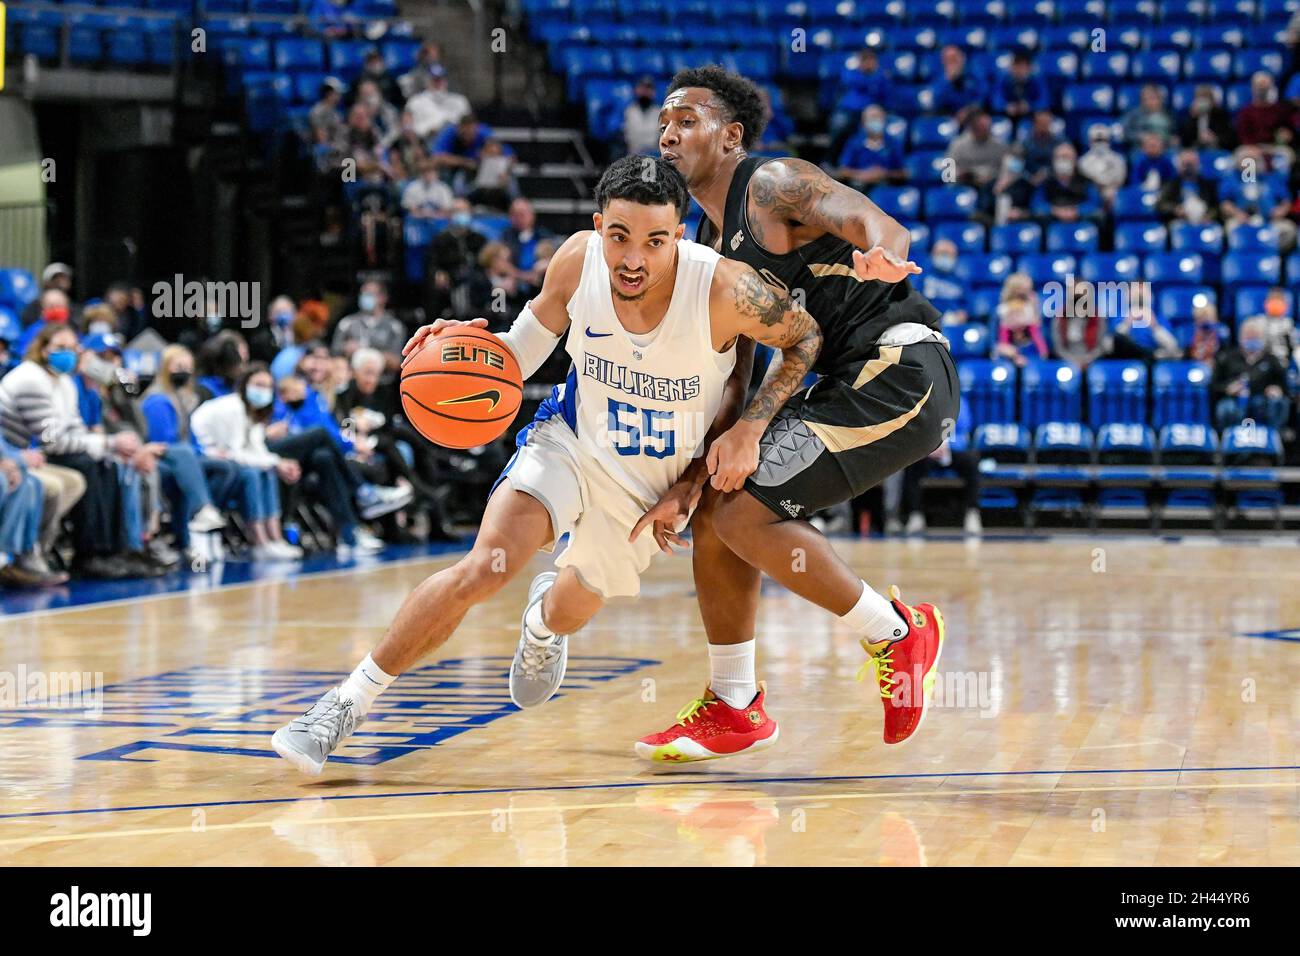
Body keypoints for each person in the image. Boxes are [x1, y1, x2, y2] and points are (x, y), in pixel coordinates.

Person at [270, 156, 823, 775]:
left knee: (567, 609)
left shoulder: (723, 288)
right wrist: (466, 353)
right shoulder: (576, 261)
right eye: (619, 237)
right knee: (483, 567)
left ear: (680, 236)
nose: (633, 259)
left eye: (655, 241)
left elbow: (806, 338)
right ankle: (345, 704)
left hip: (645, 492)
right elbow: (519, 356)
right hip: (569, 442)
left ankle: (542, 624)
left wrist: (750, 426)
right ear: (597, 225)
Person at [636, 66, 956, 757]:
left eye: (686, 120)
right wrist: (695, 477)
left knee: (747, 511)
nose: (667, 132)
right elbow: (741, 369)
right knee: (722, 503)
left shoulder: (774, 183)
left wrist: (882, 255)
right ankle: (733, 704)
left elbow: (876, 220)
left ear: (731, 136)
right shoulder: (708, 241)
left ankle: (897, 631)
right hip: (836, 380)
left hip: (899, 369)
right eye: (664, 120)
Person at [0, 324, 148, 578]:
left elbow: (77, 430)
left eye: (72, 348)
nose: (68, 354)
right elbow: (52, 441)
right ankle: (82, 554)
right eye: (60, 348)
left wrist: (108, 447)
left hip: (29, 454)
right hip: (23, 453)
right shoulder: (31, 379)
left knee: (107, 463)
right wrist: (107, 443)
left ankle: (112, 551)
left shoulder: (66, 384)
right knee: (85, 466)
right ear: (44, 349)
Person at [190, 365, 304, 561]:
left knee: (267, 472)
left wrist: (278, 463)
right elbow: (236, 453)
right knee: (252, 473)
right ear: (244, 385)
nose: (263, 391)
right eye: (258, 385)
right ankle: (258, 542)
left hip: (226, 458)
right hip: (202, 455)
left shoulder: (254, 412)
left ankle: (274, 538)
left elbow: (257, 449)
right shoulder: (232, 408)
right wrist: (275, 463)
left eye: (268, 387)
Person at [140, 345, 239, 561]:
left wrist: (207, 451)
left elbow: (191, 439)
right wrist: (195, 452)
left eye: (188, 367)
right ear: (165, 368)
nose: (184, 371)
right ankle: (200, 511)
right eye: (178, 366)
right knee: (184, 465)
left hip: (182, 457)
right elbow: (163, 443)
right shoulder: (157, 399)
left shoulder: (184, 398)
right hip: (158, 459)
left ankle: (202, 518)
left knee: (224, 467)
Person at [1211, 318, 1291, 431]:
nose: (1252, 340)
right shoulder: (1228, 358)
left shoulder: (1271, 360)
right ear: (1240, 338)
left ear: (1263, 338)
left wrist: (1277, 389)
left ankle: (1275, 438)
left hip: (1262, 399)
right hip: (1234, 400)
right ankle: (1227, 440)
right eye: (1248, 337)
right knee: (1226, 408)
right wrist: (1228, 388)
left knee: (1278, 403)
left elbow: (1284, 385)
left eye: (1255, 337)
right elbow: (1215, 385)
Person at [331, 281, 407, 369]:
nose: (365, 297)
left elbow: (399, 362)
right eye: (363, 294)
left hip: (385, 381)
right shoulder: (346, 323)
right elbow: (333, 355)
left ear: (383, 298)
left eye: (369, 294)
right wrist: (345, 348)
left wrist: (367, 353)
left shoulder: (395, 326)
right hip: (351, 378)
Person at [837, 105, 906, 192]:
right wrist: (862, 174)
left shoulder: (893, 143)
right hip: (859, 188)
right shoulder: (854, 143)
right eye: (871, 118)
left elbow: (903, 173)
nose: (875, 121)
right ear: (863, 123)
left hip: (885, 187)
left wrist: (885, 174)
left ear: (884, 120)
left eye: (878, 117)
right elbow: (843, 171)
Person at [1157, 148, 1220, 224]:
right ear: (1179, 165)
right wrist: (1175, 209)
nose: (1188, 168)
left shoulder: (1208, 184)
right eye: (1185, 164)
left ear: (1198, 164)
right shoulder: (1171, 184)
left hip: (1204, 221)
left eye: (1191, 164)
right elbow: (1161, 204)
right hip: (1180, 221)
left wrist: (1208, 216)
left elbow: (1216, 207)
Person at [623, 75, 661, 156]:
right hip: (632, 155)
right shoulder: (629, 111)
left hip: (655, 155)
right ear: (636, 90)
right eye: (642, 88)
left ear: (653, 92)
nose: (645, 91)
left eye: (648, 88)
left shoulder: (660, 112)